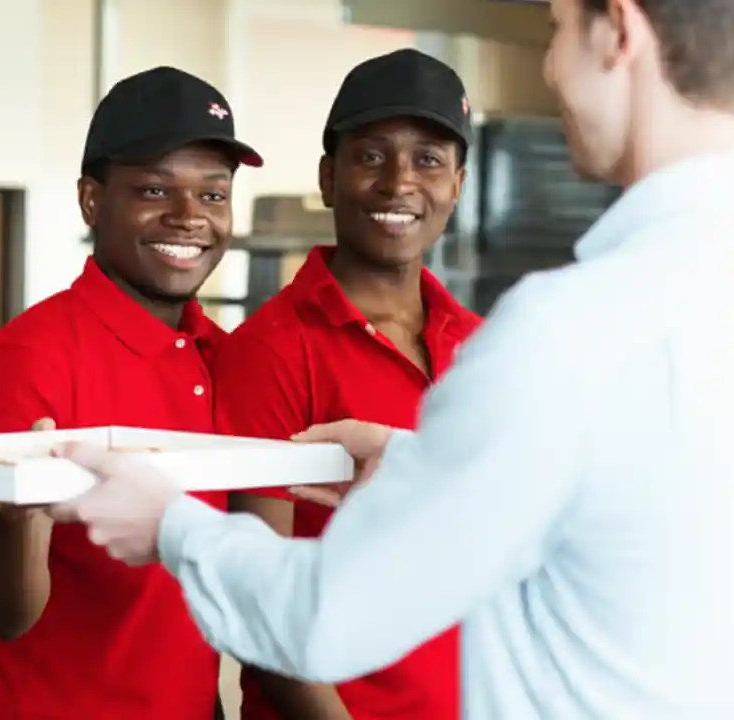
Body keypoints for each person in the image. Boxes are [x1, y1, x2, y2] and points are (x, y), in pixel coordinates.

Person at [47, 0, 734, 717]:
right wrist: (418, 464)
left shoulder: (563, 337)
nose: (551, 69)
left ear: (618, 29)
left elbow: (323, 622)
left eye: (556, 27)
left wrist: (168, 523)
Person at [0, 66, 262, 719]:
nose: (188, 218)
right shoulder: (25, 361)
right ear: (92, 201)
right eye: (154, 189)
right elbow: (7, 613)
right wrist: (17, 521)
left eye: (213, 196)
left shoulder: (227, 358)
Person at [216, 50, 480, 720]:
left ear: (458, 183)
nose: (399, 182)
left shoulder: (486, 348)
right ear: (329, 178)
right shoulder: (270, 352)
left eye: (428, 158)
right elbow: (260, 604)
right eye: (371, 155)